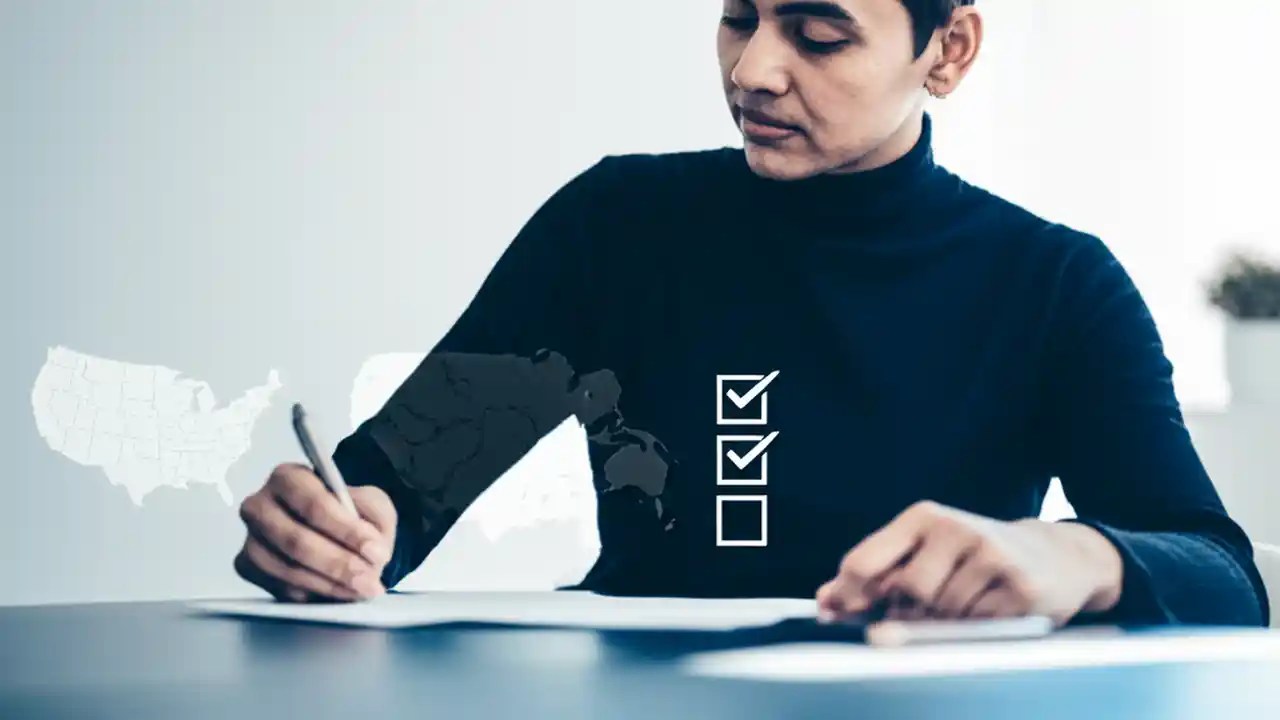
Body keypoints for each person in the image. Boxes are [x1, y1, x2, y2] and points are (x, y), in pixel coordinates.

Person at [233, 0, 1270, 627]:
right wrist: (336, 529)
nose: (750, 70)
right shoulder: (616, 226)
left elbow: (1223, 577)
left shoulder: (1055, 285)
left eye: (817, 34)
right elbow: (394, 489)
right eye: (737, 14)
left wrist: (1075, 557)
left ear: (946, 51)